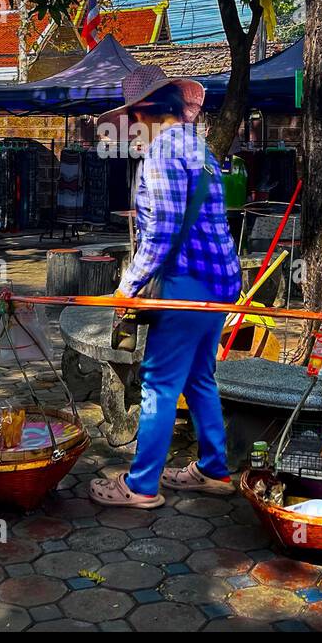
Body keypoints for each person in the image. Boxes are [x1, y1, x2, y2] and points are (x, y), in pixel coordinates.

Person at [88, 66, 242, 508]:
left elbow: (161, 232)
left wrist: (128, 286)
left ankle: (140, 485)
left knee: (157, 383)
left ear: (148, 112)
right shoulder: (202, 150)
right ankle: (214, 469)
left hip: (186, 284)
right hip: (220, 281)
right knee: (198, 376)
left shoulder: (162, 152)